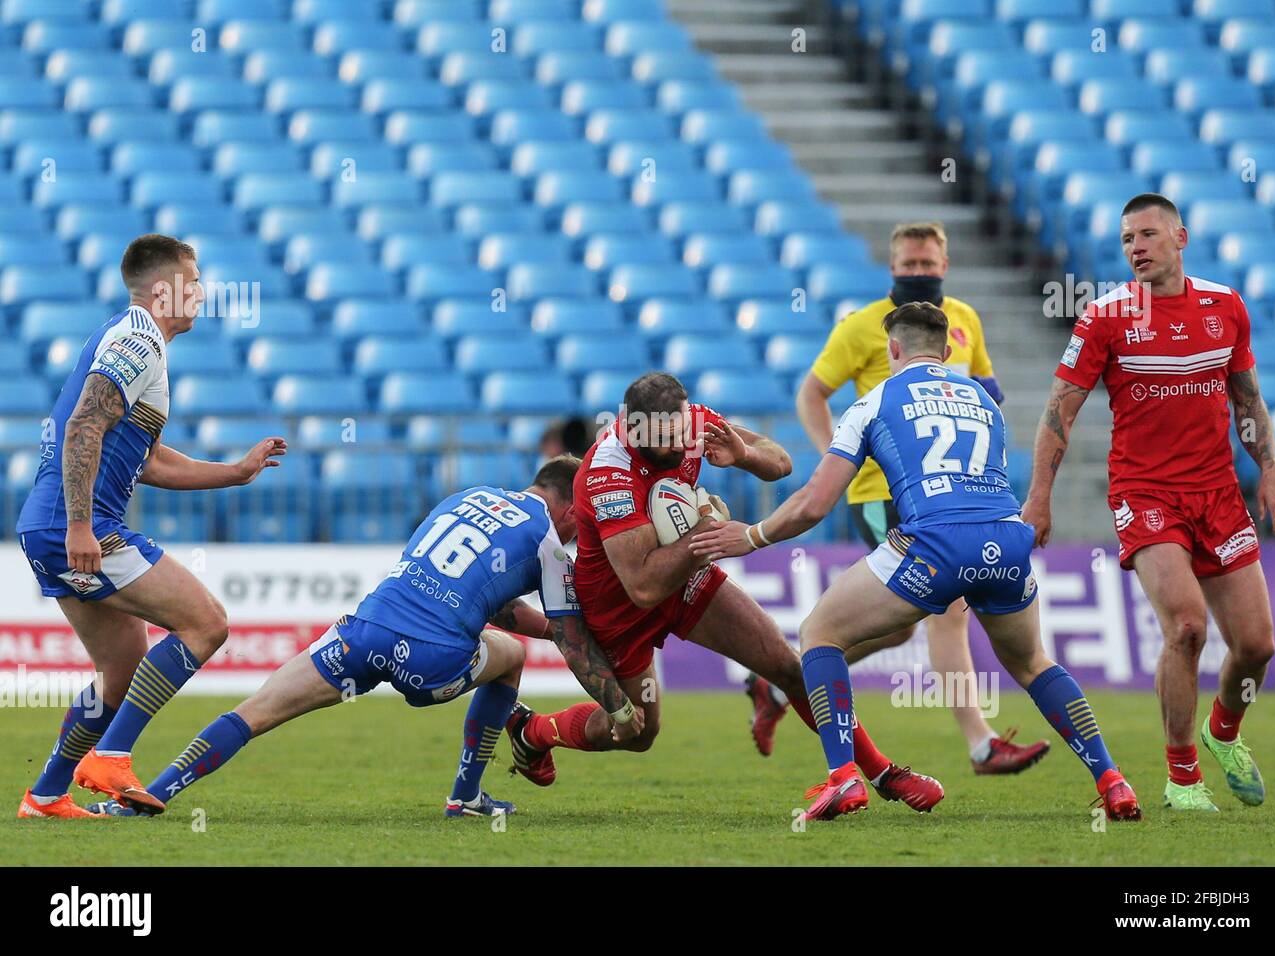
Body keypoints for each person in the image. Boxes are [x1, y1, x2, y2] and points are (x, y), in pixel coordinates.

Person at [692, 303, 1141, 822]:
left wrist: (750, 536)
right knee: (1033, 663)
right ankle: (1113, 779)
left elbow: (815, 503)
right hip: (1006, 541)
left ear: (893, 350)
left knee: (820, 633)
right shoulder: (983, 400)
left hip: (933, 547)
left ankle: (844, 778)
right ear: (948, 351)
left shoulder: (874, 401)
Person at [89, 457, 644, 818]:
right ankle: (467, 795)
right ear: (568, 505)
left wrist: (542, 626)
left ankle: (149, 796)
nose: (579, 534)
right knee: (512, 656)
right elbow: (573, 641)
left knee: (256, 711)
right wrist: (618, 709)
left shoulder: (467, 497)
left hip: (367, 628)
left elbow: (487, 597)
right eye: (582, 522)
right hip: (435, 658)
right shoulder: (547, 538)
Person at [500, 372, 945, 813]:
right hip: (618, 608)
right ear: (633, 428)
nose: (677, 446)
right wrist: (703, 531)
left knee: (788, 667)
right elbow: (643, 587)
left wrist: (745, 455)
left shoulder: (692, 424)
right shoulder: (607, 473)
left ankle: (880, 773)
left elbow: (781, 462)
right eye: (664, 438)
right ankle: (534, 732)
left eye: (680, 432)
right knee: (636, 734)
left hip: (687, 577)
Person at [746, 221, 1047, 775]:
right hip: (880, 490)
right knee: (950, 608)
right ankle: (981, 743)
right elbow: (812, 392)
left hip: (952, 493)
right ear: (893, 268)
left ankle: (784, 683)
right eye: (909, 265)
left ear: (945, 266)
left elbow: (989, 391)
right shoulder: (862, 327)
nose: (918, 273)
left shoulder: (966, 320)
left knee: (903, 624)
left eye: (927, 264)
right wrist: (835, 451)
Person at [1021, 193, 1275, 812]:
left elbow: (1246, 400)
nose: (1135, 248)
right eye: (1126, 240)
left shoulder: (1225, 306)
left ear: (1180, 237)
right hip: (1145, 495)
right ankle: (1182, 778)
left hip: (1219, 493)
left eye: (1145, 235)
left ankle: (1223, 734)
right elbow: (1058, 408)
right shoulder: (1108, 316)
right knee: (1188, 626)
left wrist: (1270, 468)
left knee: (1257, 647)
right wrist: (1039, 497)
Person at [15, 234, 285, 819]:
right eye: (194, 280)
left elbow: (153, 459)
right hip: (77, 524)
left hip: (49, 523)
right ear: (164, 289)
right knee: (207, 622)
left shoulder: (132, 341)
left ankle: (45, 794)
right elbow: (84, 425)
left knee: (121, 669)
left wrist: (235, 473)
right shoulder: (138, 338)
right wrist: (82, 526)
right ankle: (111, 756)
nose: (202, 293)